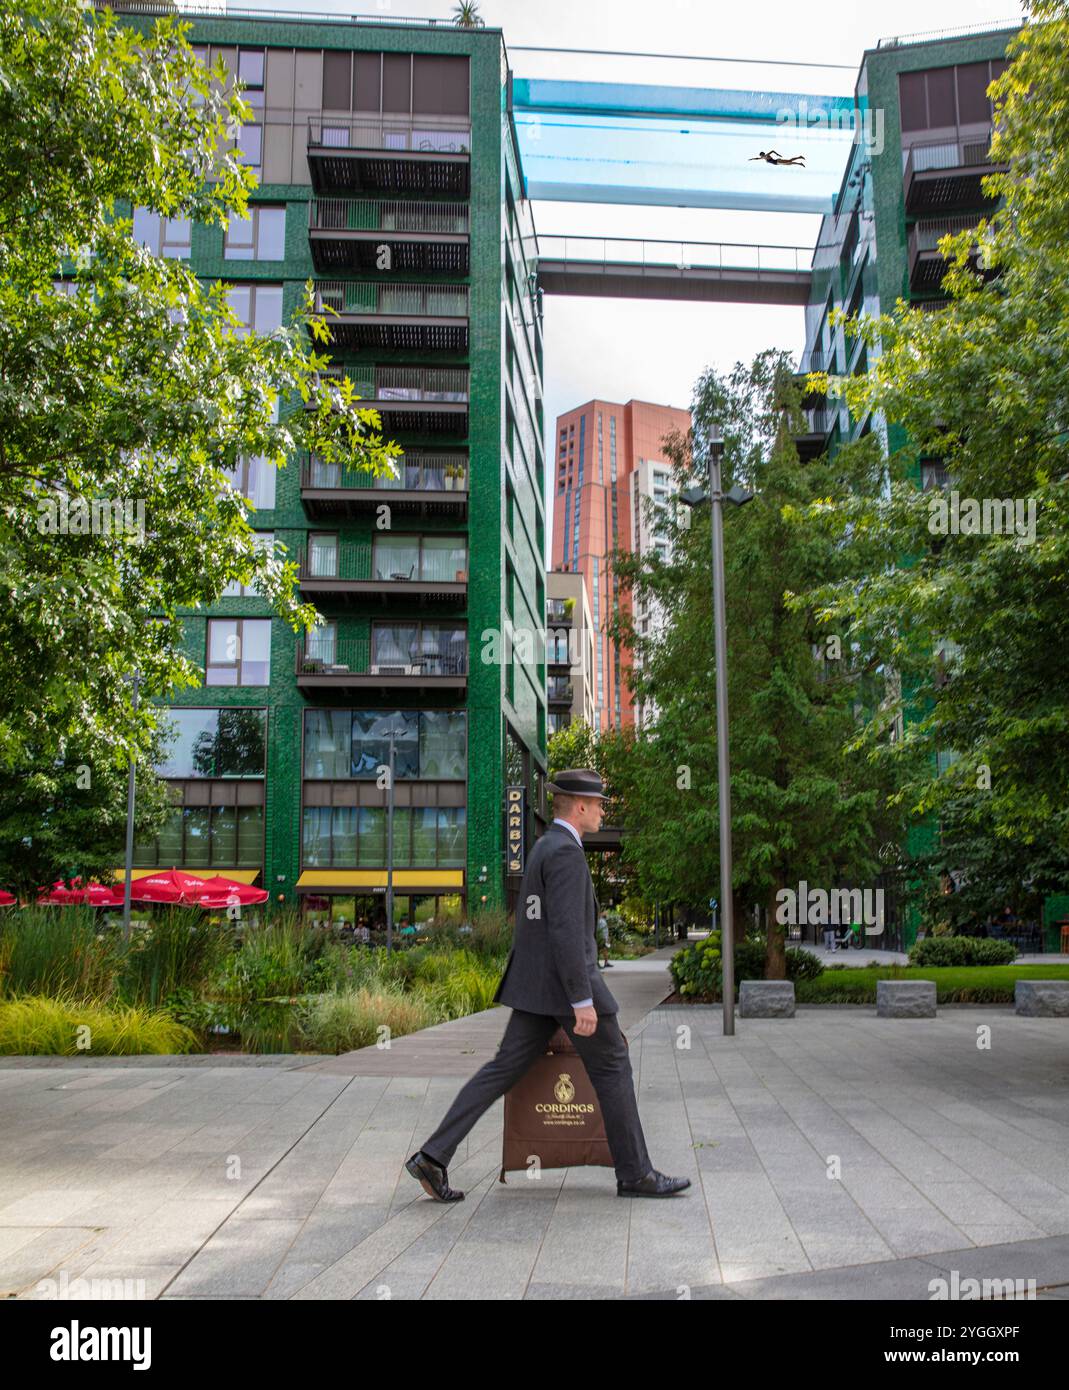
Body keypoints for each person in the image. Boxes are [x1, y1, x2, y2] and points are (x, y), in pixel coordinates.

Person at [406, 768, 690, 1202]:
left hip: (535, 989)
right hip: (565, 988)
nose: (601, 811)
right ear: (579, 806)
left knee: (501, 1069)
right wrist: (582, 1000)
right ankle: (636, 1175)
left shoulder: (544, 847)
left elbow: (535, 926)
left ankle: (433, 1155)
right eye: (598, 804)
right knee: (613, 1066)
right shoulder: (566, 855)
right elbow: (565, 933)